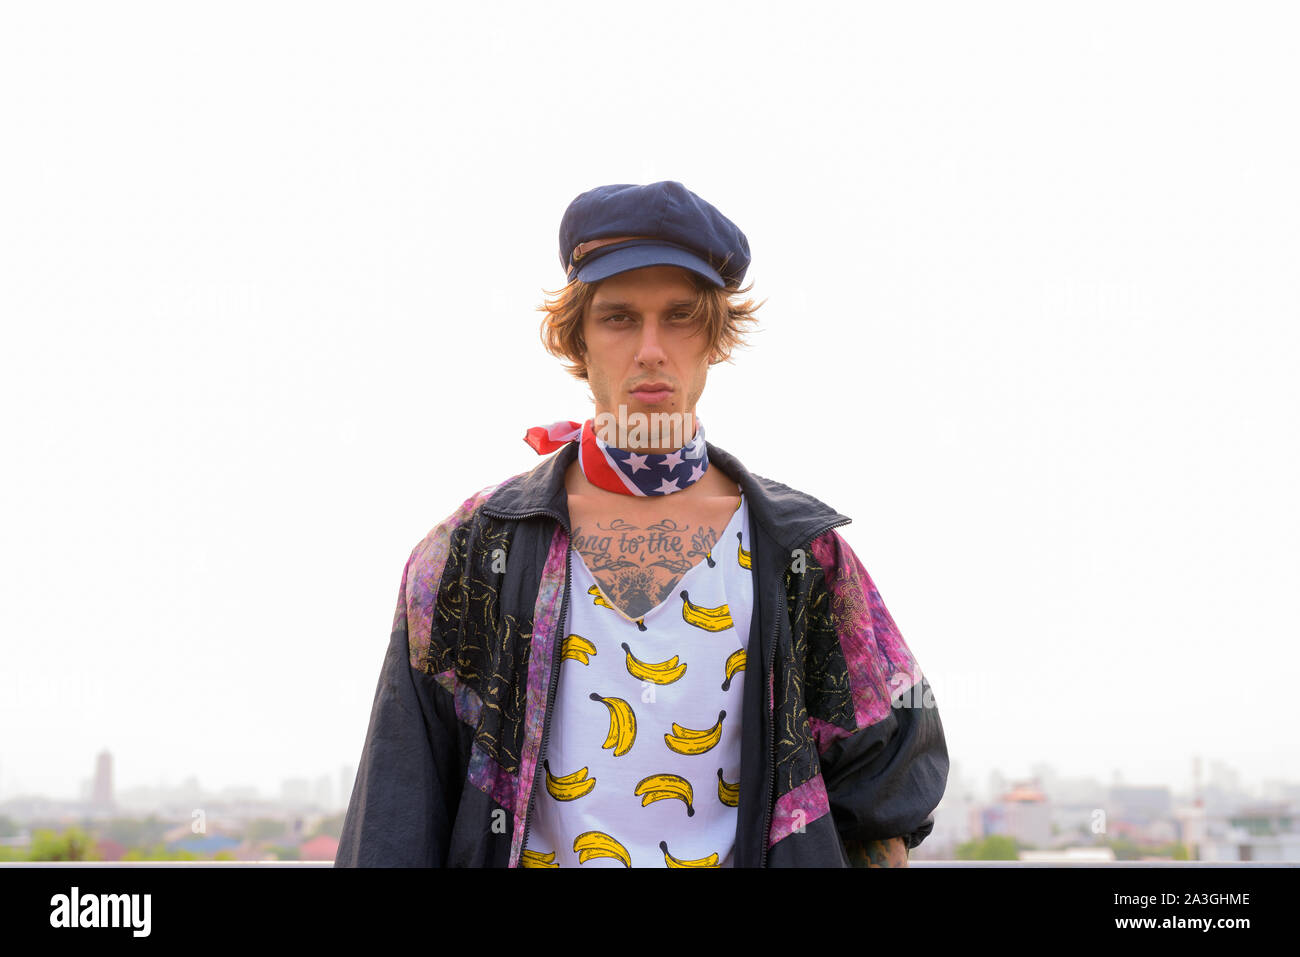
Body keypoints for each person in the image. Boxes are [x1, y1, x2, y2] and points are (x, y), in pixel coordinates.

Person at [335, 181, 948, 868]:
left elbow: (887, 787)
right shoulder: (471, 553)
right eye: (620, 318)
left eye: (680, 316)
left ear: (715, 336)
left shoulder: (802, 555)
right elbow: (399, 804)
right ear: (580, 338)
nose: (651, 348)